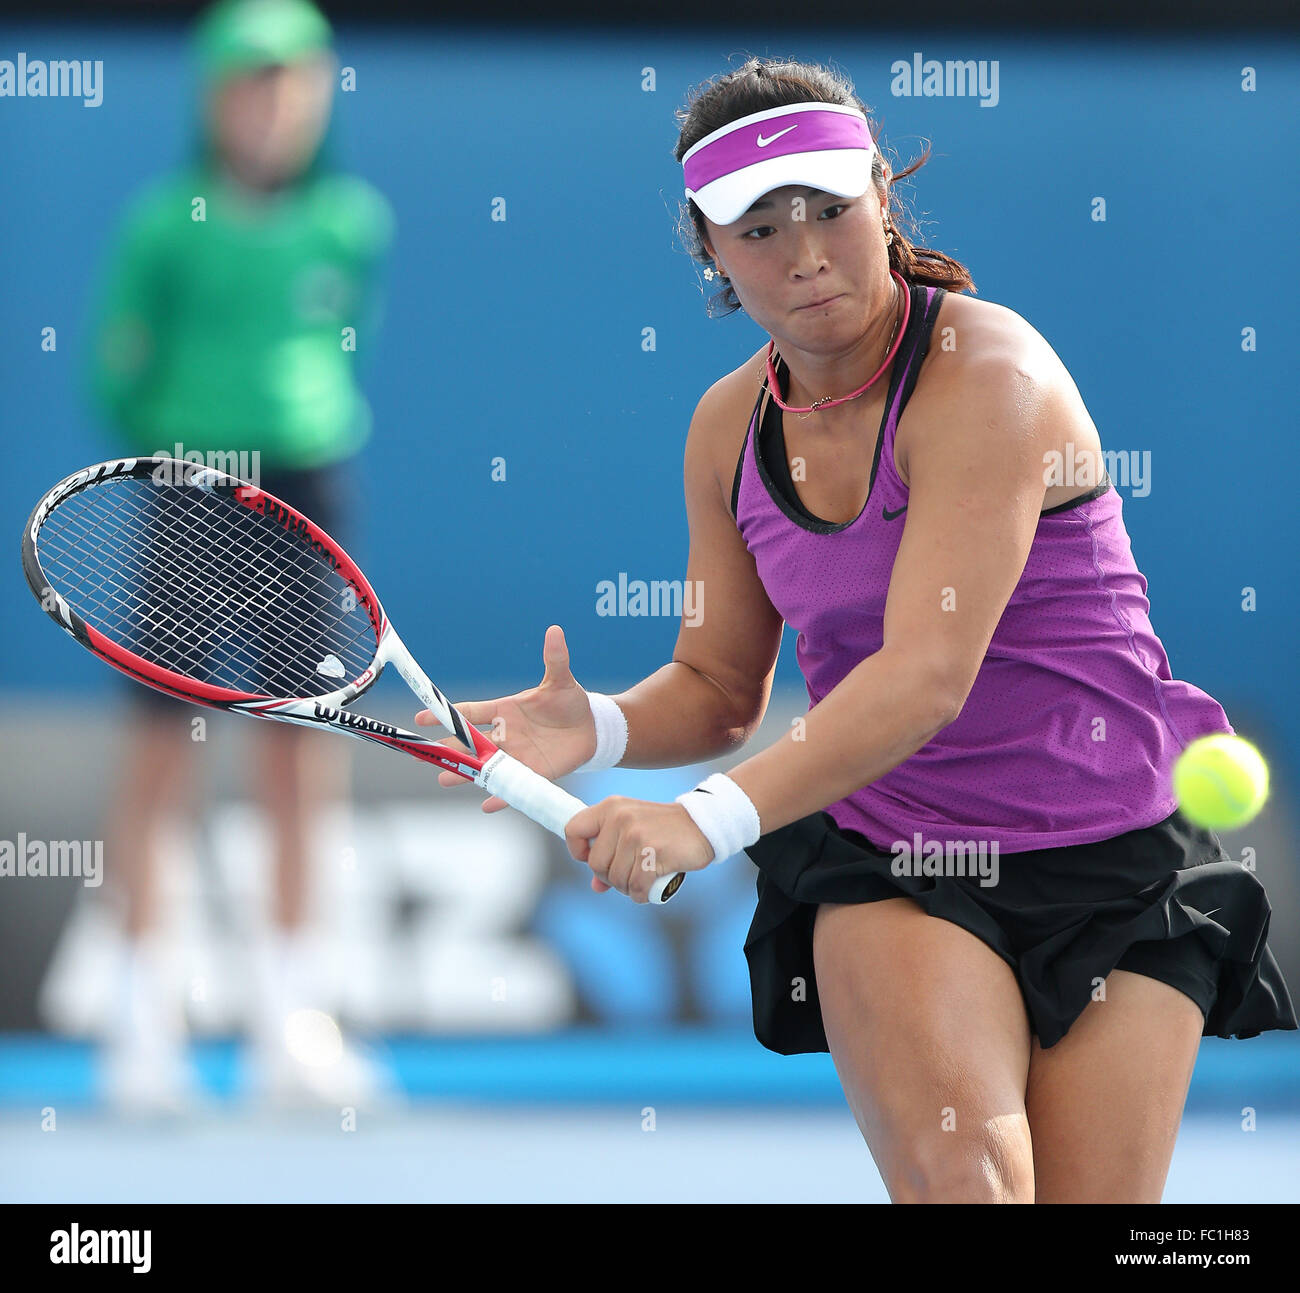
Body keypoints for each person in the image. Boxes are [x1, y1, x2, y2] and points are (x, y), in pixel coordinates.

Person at [420, 57, 1295, 1202]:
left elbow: (927, 675)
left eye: (829, 207)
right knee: (969, 1185)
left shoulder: (989, 373)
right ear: (709, 251)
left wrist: (700, 820)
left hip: (1115, 856)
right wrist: (595, 726)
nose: (805, 252)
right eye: (759, 228)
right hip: (895, 855)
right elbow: (718, 685)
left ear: (882, 194)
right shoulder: (725, 428)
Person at [86, 0, 394, 1109]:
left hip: (308, 491)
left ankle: (290, 1028)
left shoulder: (352, 222)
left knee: (300, 752)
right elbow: (116, 372)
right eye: (252, 83)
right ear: (213, 99)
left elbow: (343, 331)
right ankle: (140, 1023)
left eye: (296, 82)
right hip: (187, 486)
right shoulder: (165, 224)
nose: (275, 105)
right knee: (164, 747)